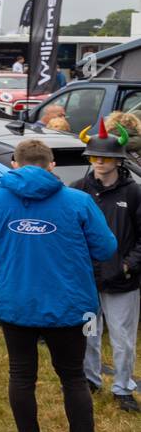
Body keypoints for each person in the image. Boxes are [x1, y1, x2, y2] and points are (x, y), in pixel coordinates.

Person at [0, 138, 117, 432]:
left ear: (15, 165)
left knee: (21, 376)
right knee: (74, 378)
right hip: (67, 305)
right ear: (52, 166)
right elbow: (106, 247)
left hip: (14, 304)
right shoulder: (79, 202)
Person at [71, 120, 141, 410]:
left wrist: (127, 266)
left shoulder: (134, 193)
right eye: (94, 157)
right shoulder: (77, 190)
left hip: (122, 283)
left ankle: (123, 388)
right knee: (89, 334)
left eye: (106, 157)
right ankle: (90, 379)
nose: (99, 162)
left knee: (123, 339)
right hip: (87, 282)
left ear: (118, 159)